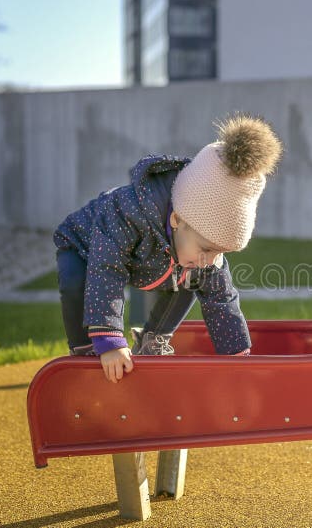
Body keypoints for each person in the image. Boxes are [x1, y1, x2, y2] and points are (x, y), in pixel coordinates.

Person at [54, 114, 282, 382]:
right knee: (74, 281)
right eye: (208, 249)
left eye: (221, 253)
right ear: (176, 220)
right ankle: (85, 353)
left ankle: (153, 341)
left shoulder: (203, 250)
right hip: (88, 245)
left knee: (194, 275)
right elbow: (107, 270)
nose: (212, 260)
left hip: (156, 256)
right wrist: (110, 341)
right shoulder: (128, 213)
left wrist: (238, 360)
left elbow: (222, 301)